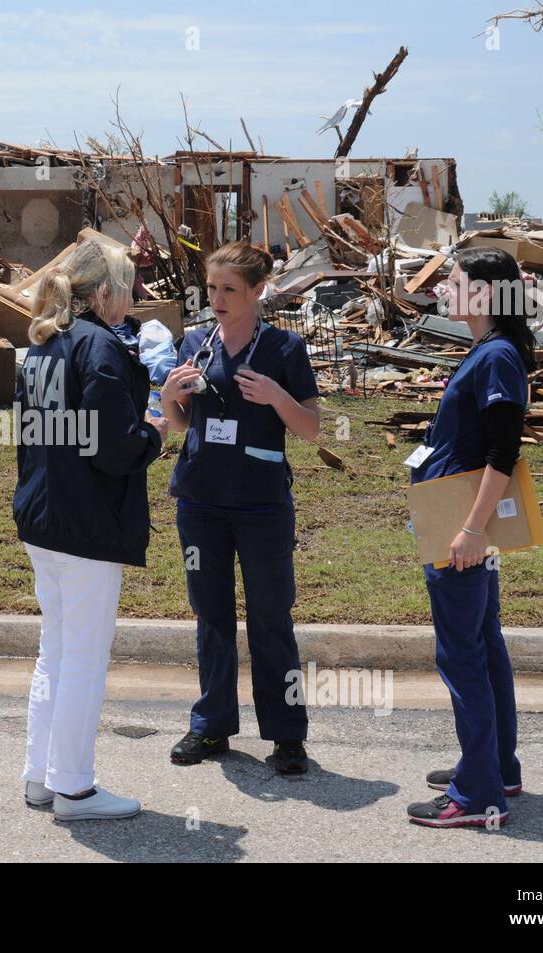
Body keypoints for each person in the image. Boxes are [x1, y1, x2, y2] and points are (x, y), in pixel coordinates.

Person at [13, 238, 168, 821]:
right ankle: (74, 786)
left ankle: (41, 778)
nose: (133, 298)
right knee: (81, 657)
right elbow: (116, 448)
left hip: (44, 516)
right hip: (84, 522)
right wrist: (157, 428)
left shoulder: (43, 343)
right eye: (127, 286)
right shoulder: (99, 346)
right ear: (103, 291)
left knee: (55, 651)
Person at [157, 241, 321, 775]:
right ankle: (210, 727)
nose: (218, 298)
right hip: (201, 501)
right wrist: (168, 399)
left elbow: (312, 429)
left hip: (260, 505)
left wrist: (276, 396)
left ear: (258, 291)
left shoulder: (285, 349)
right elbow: (183, 425)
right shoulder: (197, 343)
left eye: (230, 289)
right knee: (212, 617)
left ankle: (287, 735)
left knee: (271, 617)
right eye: (212, 288)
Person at [404, 247, 534, 828]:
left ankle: (477, 795)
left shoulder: (498, 356)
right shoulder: (485, 351)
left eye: (453, 283)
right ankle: (496, 767)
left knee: (463, 656)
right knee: (484, 646)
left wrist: (470, 530)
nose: (442, 292)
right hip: (458, 522)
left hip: (462, 529)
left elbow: (502, 453)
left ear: (483, 294)